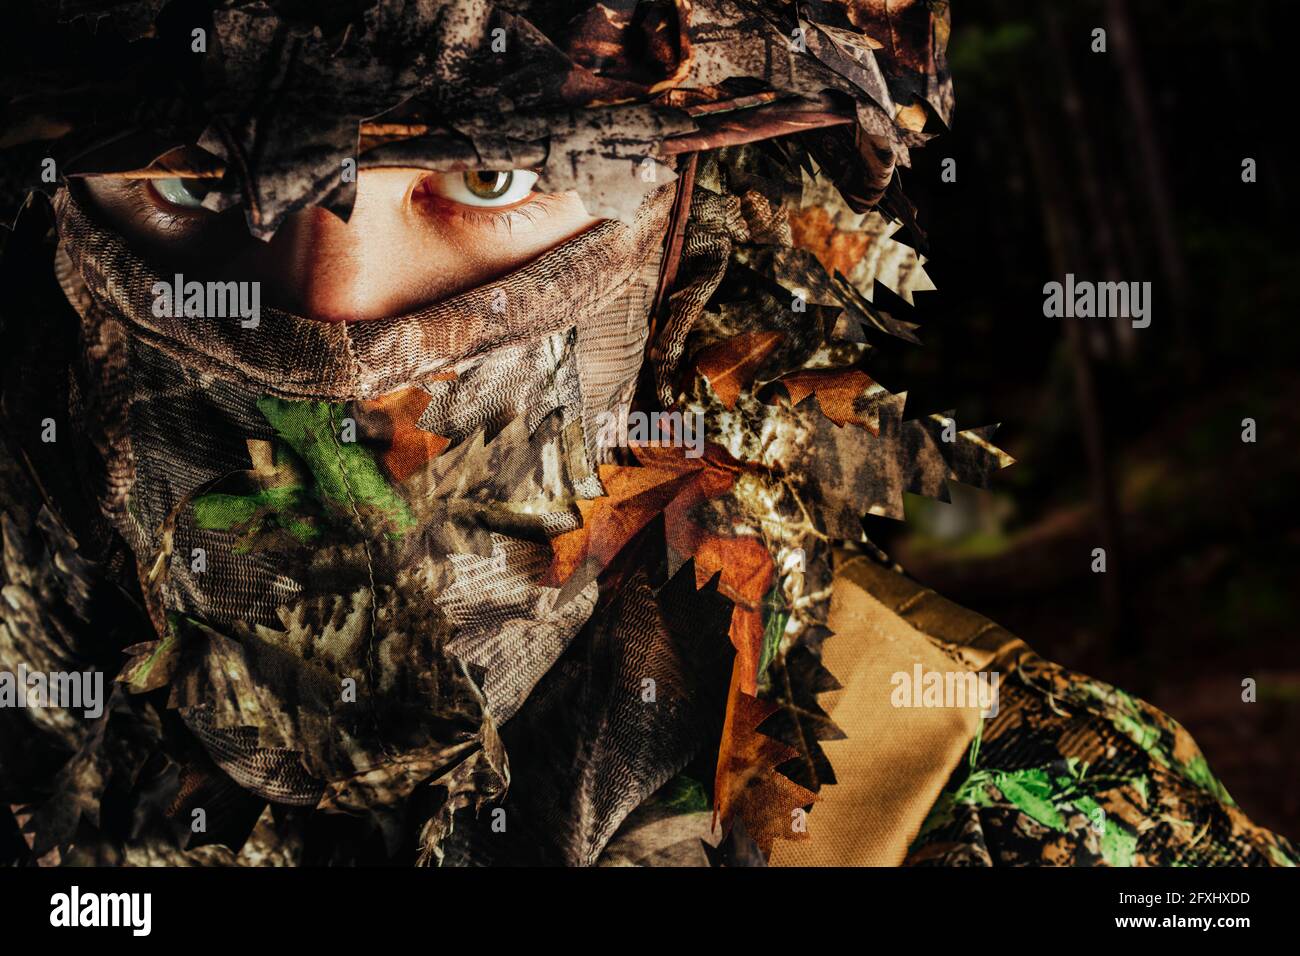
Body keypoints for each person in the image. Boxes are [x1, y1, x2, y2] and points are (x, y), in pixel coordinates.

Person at [0, 0, 1294, 867]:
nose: (339, 326)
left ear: (676, 240)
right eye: (194, 183)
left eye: (492, 178)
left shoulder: (1024, 807)